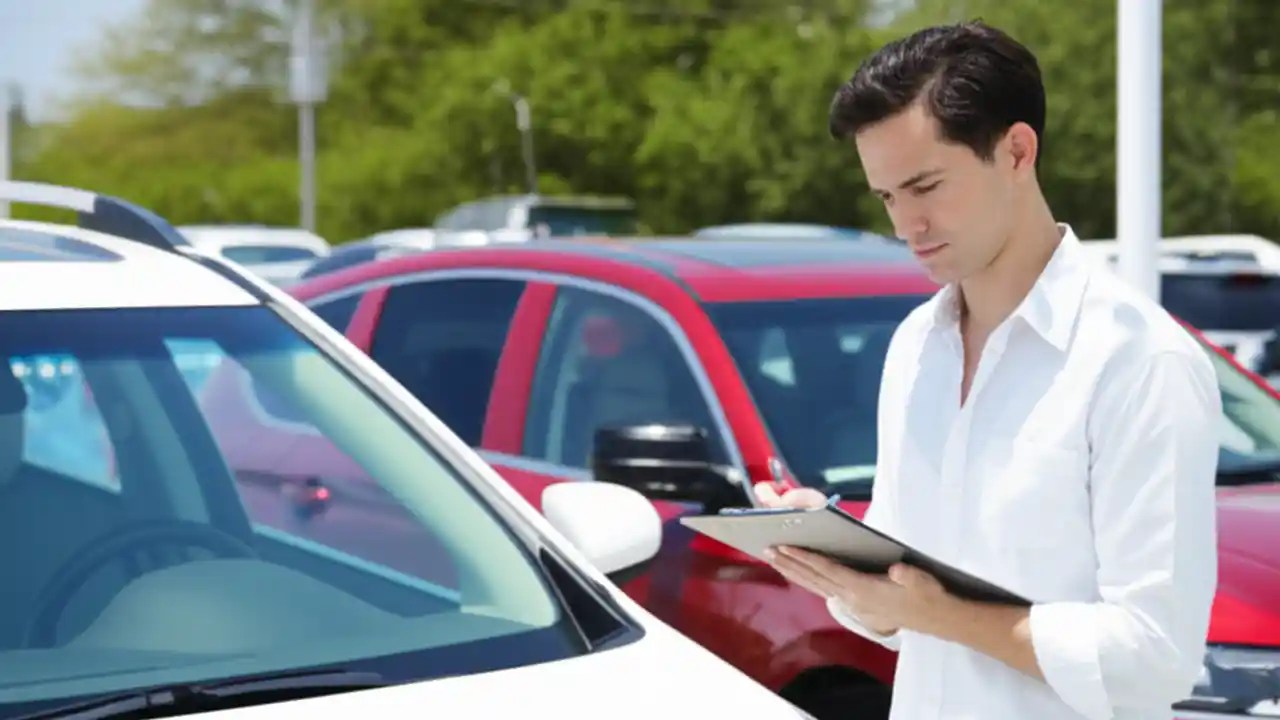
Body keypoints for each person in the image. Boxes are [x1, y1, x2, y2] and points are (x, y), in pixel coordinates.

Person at [757, 20, 1221, 720]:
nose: (906, 225)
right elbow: (896, 613)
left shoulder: (1138, 360)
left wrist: (944, 616)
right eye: (887, 197)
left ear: (1016, 151)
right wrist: (839, 558)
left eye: (925, 186)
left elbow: (1156, 658)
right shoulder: (916, 347)